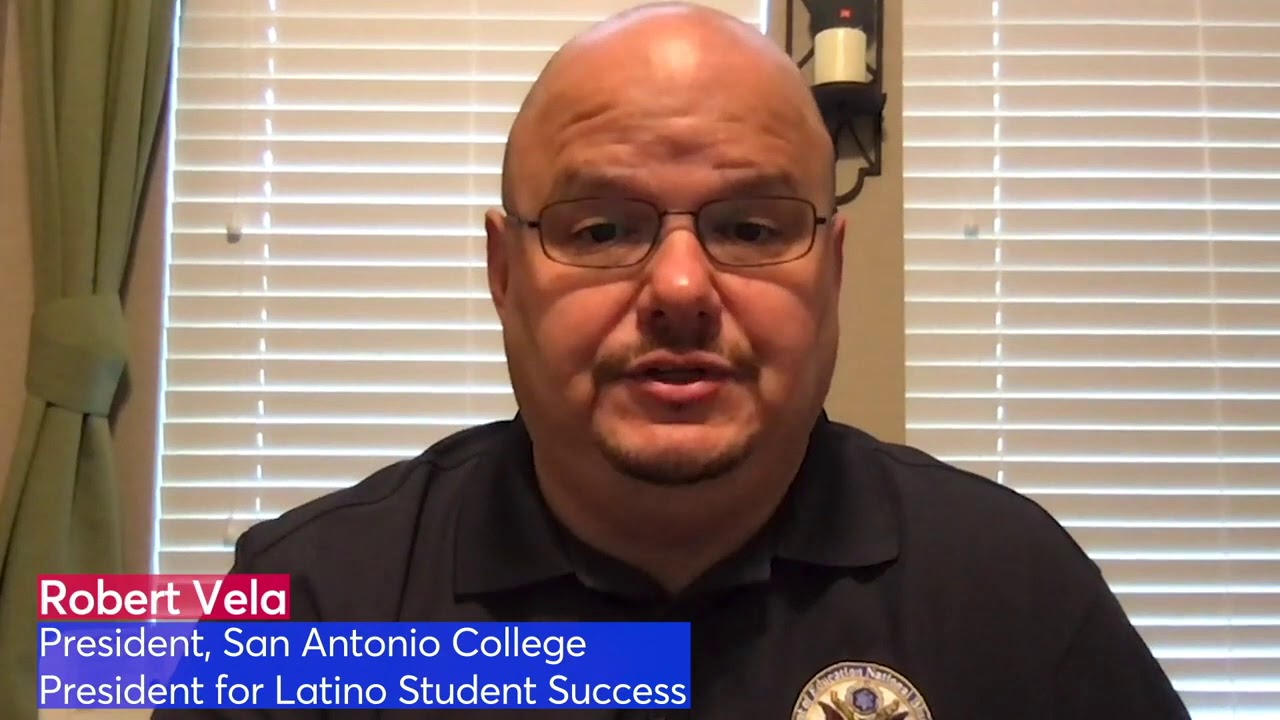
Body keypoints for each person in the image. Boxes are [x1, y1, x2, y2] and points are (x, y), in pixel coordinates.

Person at [154, 2, 1192, 719]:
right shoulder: (312, 604)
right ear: (503, 274)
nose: (683, 290)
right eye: (601, 229)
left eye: (748, 227)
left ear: (830, 271)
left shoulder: (1010, 591)